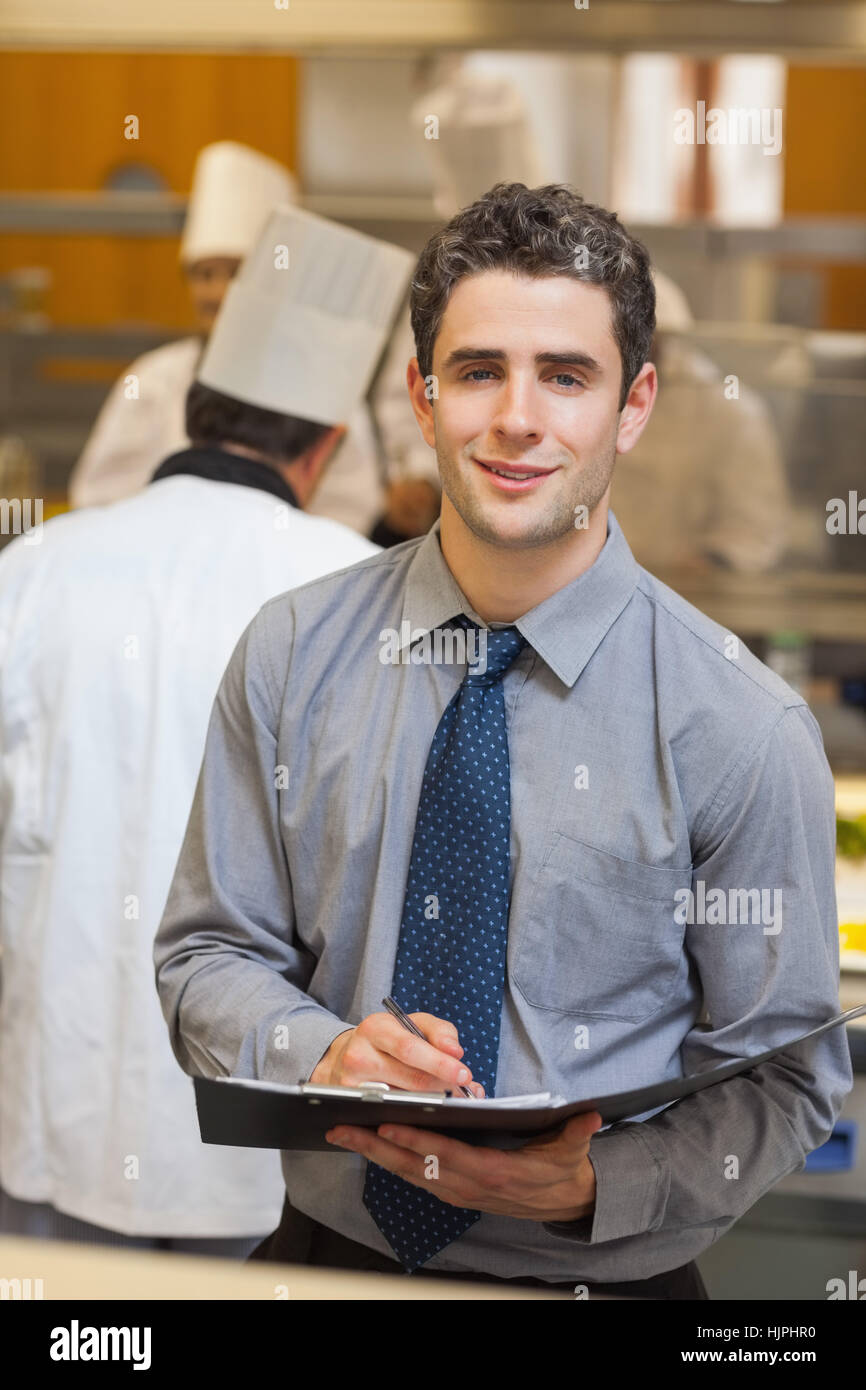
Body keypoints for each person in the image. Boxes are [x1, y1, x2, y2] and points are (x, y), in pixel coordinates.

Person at [154, 183, 851, 1297]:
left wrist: (597, 1184)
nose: (516, 417)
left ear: (632, 405)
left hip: (603, 1278)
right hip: (327, 1258)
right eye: (478, 371)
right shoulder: (290, 654)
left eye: (564, 376)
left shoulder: (742, 728)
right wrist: (319, 1051)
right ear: (424, 400)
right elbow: (208, 953)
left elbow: (786, 1073)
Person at [0, 204, 412, 1254]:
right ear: (325, 448)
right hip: (266, 1126)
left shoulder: (35, 567)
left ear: (190, 410)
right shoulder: (354, 586)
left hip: (51, 1101)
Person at [67, 140, 386, 536]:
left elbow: (349, 508)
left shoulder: (326, 386)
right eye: (204, 275)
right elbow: (99, 498)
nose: (216, 293)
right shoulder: (152, 379)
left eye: (233, 273)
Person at [611, 272, 792, 573]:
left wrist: (706, 565)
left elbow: (754, 526)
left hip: (689, 596)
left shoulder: (730, 411)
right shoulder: (580, 403)